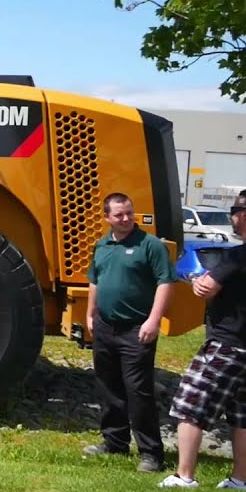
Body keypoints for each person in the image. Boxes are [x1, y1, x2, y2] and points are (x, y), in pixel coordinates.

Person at [160, 189, 246, 491]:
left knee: (190, 404)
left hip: (228, 344)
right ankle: (240, 481)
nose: (232, 218)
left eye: (234, 211)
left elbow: (206, 289)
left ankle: (184, 477)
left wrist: (197, 282)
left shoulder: (240, 254)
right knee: (241, 413)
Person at [83, 192, 177, 473]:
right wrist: (90, 313)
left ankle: (151, 454)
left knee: (139, 391)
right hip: (105, 327)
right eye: (119, 215)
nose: (125, 219)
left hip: (136, 330)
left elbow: (166, 282)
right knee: (108, 387)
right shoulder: (102, 246)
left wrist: (153, 320)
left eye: (128, 213)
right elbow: (94, 281)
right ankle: (115, 442)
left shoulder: (150, 245)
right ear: (107, 218)